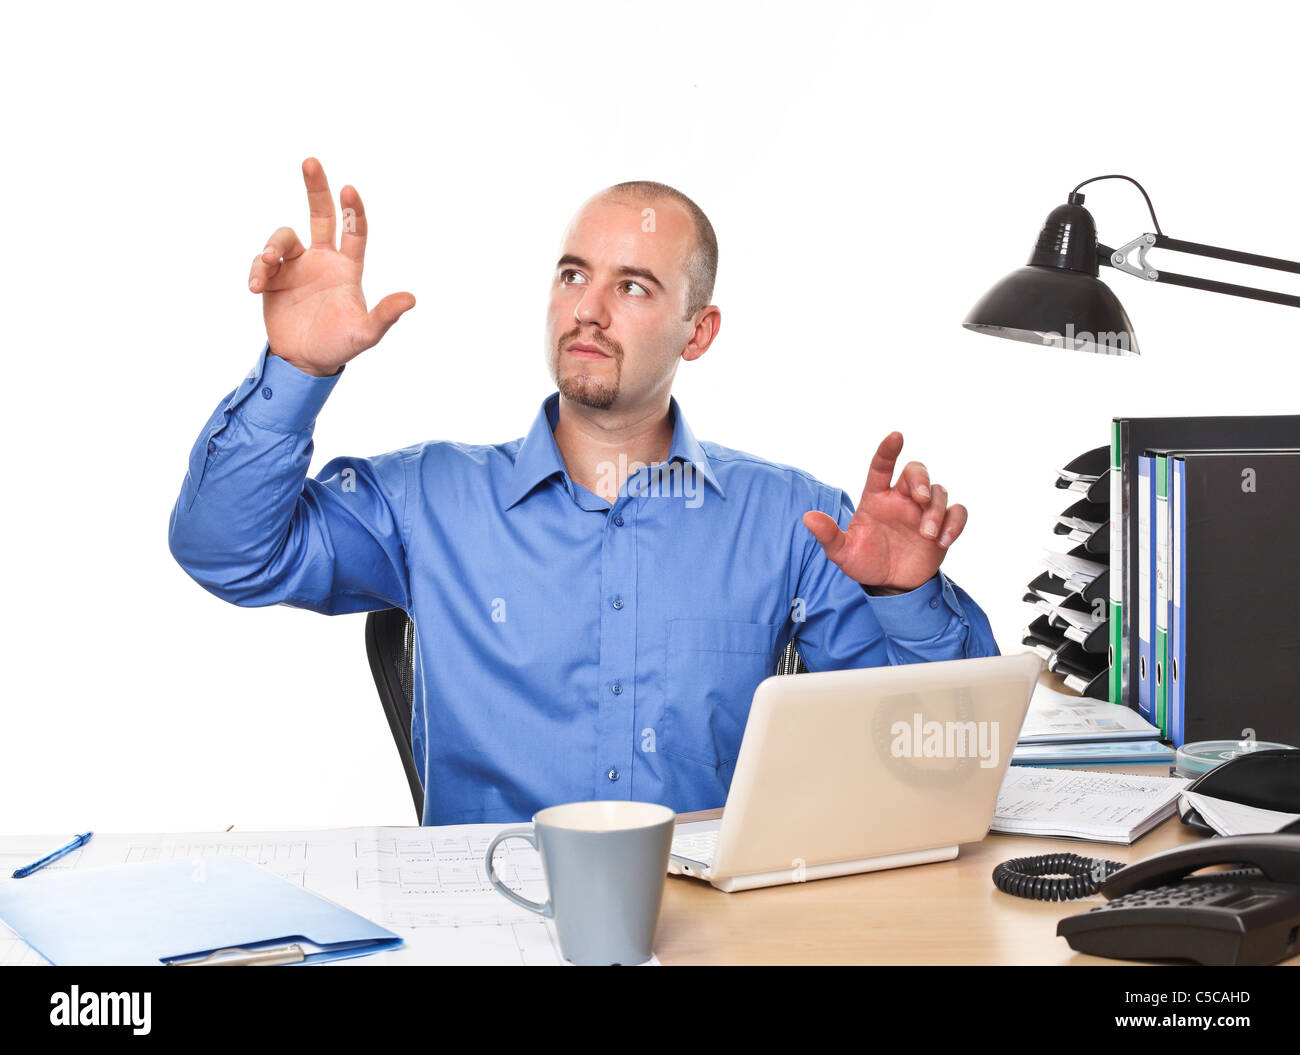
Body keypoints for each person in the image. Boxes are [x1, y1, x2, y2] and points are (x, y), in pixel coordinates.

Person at [169, 157, 999, 825]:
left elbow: (942, 757)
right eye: (573, 275)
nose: (588, 310)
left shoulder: (792, 521)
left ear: (698, 331)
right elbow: (228, 553)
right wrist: (297, 371)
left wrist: (906, 595)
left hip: (707, 937)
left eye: (633, 286)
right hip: (488, 931)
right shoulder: (430, 498)